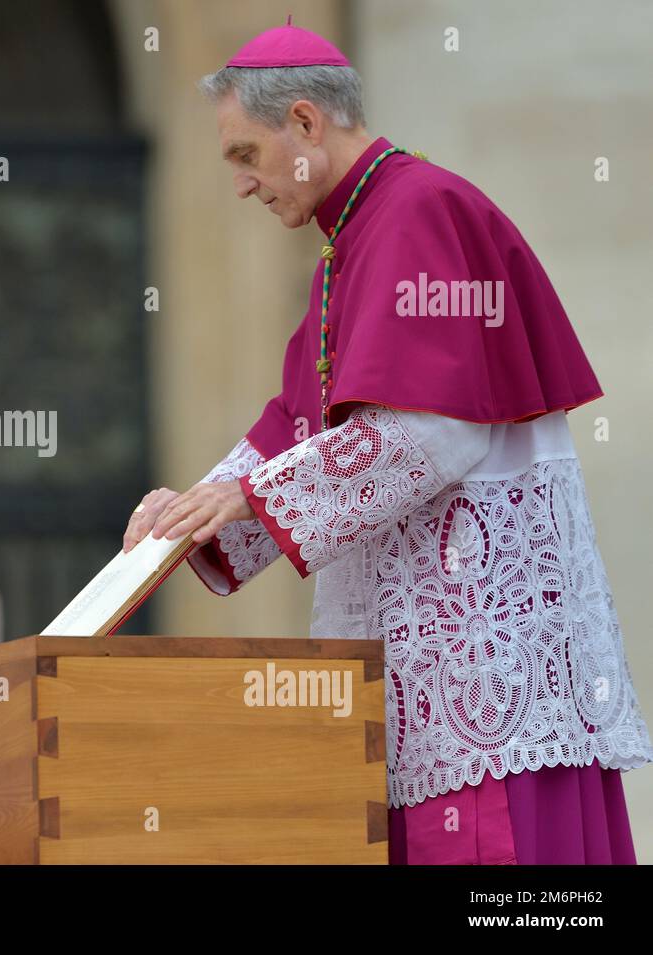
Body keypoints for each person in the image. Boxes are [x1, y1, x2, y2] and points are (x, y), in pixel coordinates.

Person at [122, 20, 652, 865]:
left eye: (244, 156)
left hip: (478, 676)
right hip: (422, 682)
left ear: (303, 124)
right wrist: (191, 511)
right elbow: (295, 430)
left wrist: (248, 500)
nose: (241, 186)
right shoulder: (350, 246)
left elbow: (427, 434)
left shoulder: (418, 212)